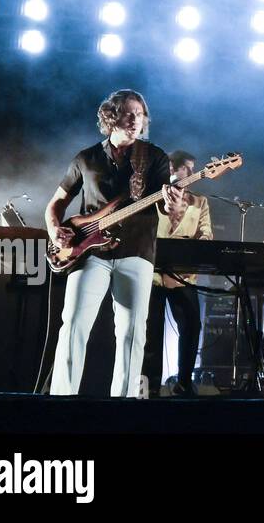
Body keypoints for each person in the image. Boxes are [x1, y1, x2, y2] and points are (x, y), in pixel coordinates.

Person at [47, 90, 181, 397]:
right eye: (128, 113)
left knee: (133, 332)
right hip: (89, 251)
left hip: (137, 251)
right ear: (111, 116)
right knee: (74, 324)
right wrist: (56, 230)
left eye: (140, 114)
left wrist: (174, 204)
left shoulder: (155, 157)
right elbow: (55, 204)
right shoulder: (86, 158)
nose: (136, 120)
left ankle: (123, 405)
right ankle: (60, 401)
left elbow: (166, 208)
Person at [142, 150, 213, 397]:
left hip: (184, 276)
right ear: (173, 168)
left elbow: (206, 235)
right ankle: (149, 387)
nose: (192, 174)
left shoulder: (200, 202)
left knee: (192, 327)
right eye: (187, 168)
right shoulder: (152, 197)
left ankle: (184, 382)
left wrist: (199, 246)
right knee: (151, 331)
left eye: (194, 169)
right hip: (151, 275)